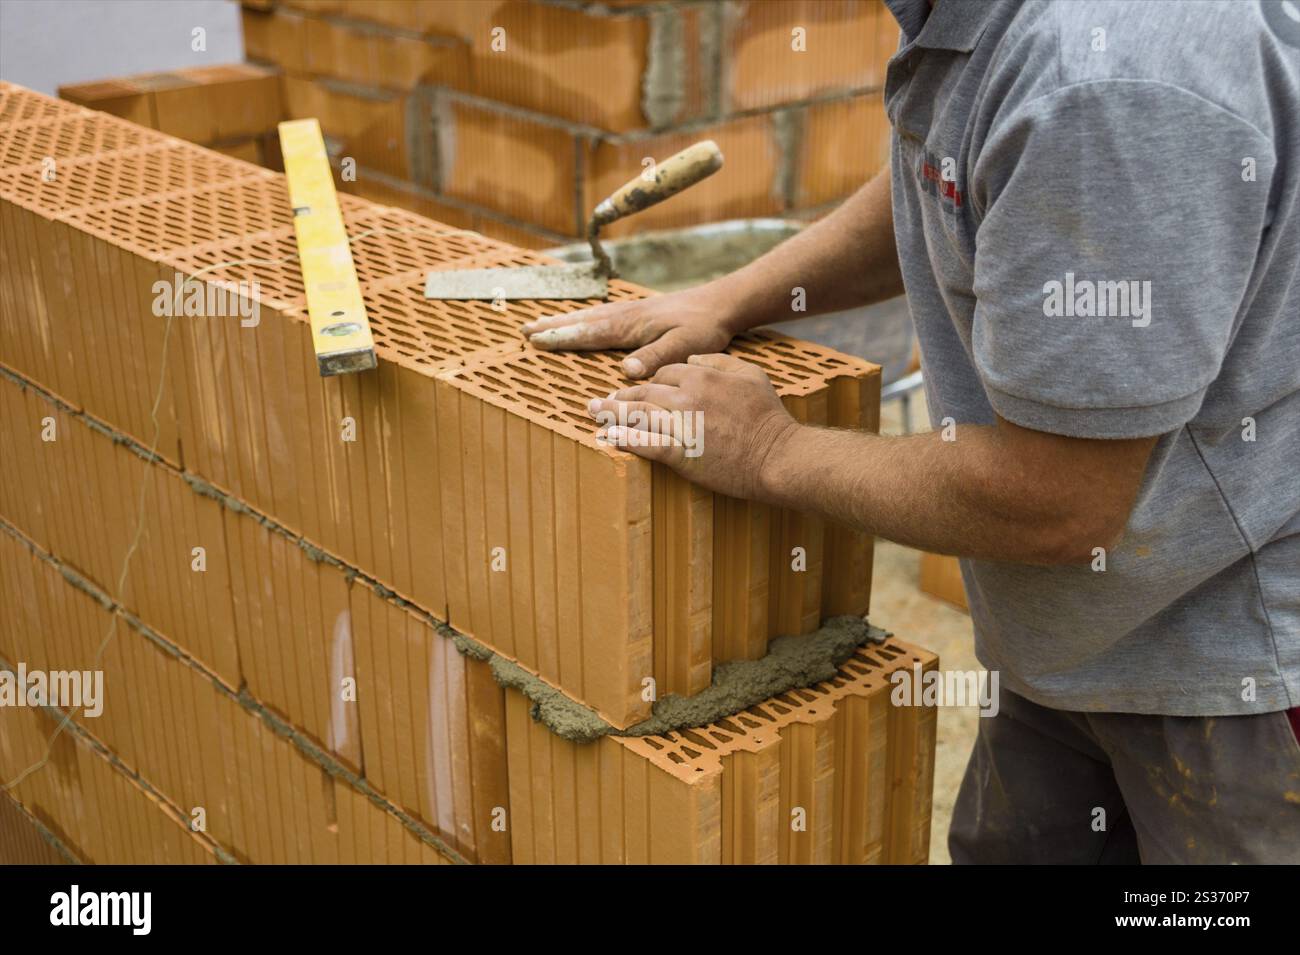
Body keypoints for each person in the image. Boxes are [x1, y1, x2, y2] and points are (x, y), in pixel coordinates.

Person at [520, 0, 1300, 863]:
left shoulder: (1103, 82)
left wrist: (772, 450)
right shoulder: (981, 27)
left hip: (1230, 673)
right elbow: (962, 173)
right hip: (1071, 634)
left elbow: (1057, 503)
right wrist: (733, 296)